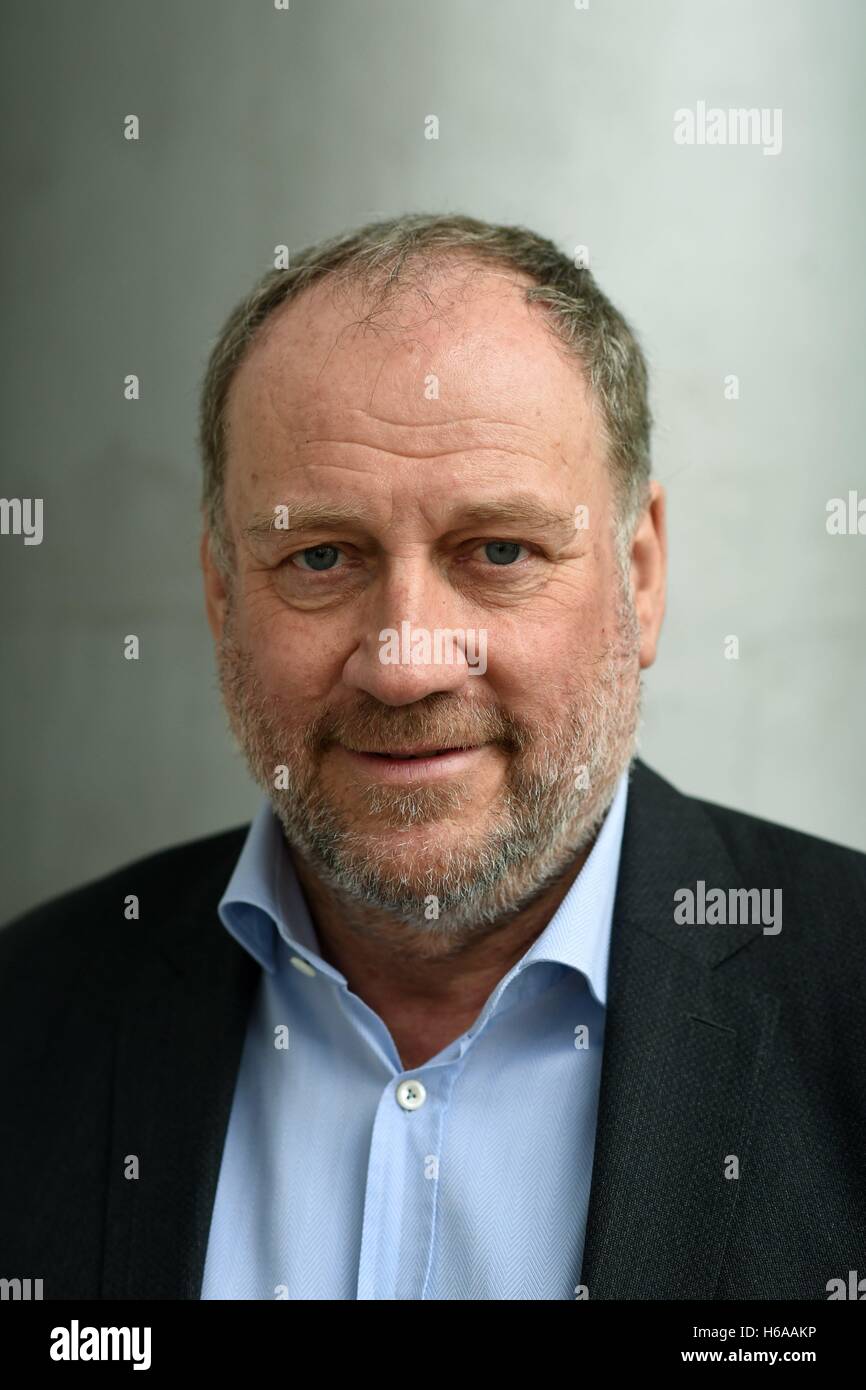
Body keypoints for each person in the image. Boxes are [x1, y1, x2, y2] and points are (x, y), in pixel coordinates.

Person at [1, 214, 864, 1301]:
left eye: (497, 551)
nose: (405, 664)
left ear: (638, 579)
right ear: (222, 595)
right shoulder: (30, 1020)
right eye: (320, 557)